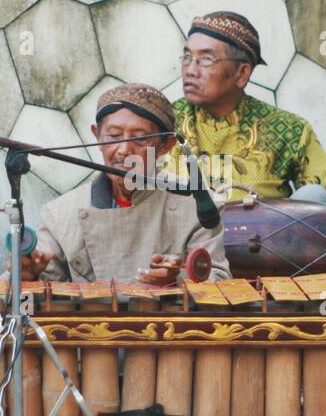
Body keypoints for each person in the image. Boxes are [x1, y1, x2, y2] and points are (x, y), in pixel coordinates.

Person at [160, 10, 326, 255]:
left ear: (242, 73)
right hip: (180, 256)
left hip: (263, 256)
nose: (190, 70)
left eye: (206, 59)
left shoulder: (289, 129)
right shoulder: (163, 123)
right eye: (187, 57)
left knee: (315, 196)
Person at [21, 83, 230, 284]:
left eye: (140, 139)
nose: (123, 150)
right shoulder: (61, 213)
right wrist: (26, 277)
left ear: (165, 145)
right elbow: (30, 296)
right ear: (97, 136)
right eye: (113, 136)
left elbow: (218, 282)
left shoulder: (198, 207)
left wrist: (176, 281)